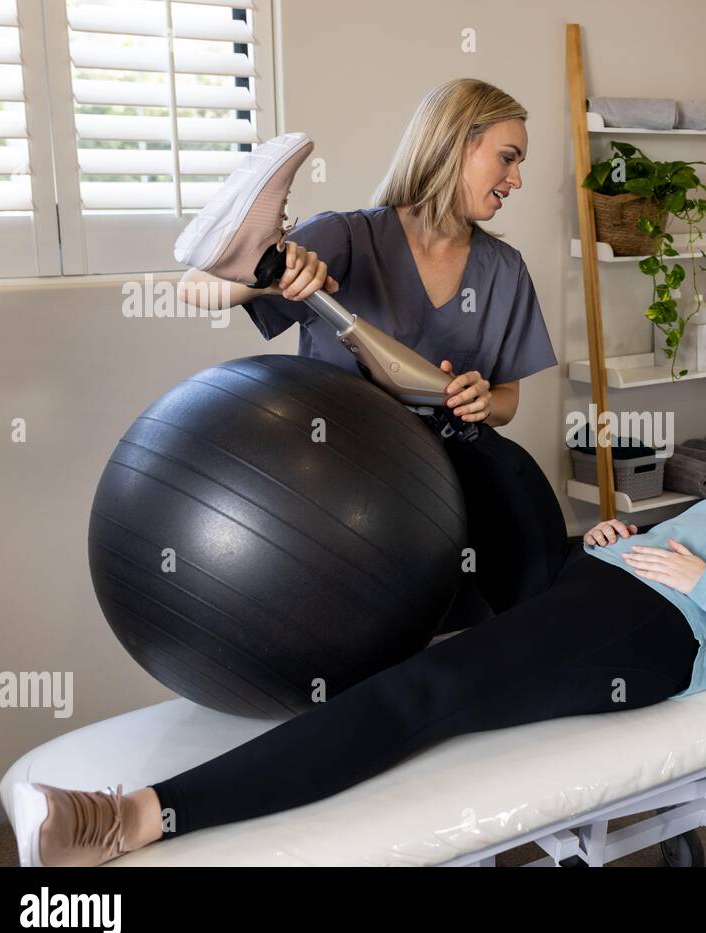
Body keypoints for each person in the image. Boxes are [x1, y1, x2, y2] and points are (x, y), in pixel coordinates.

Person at [13, 476, 706, 866]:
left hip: (652, 630)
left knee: (426, 693)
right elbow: (669, 541)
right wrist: (625, 534)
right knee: (419, 636)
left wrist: (702, 583)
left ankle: (133, 818)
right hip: (598, 579)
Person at [177, 78, 566, 622]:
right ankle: (254, 252)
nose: (516, 179)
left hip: (445, 488)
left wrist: (482, 400)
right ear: (455, 144)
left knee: (513, 591)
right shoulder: (346, 238)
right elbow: (194, 288)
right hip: (336, 484)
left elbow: (506, 403)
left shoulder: (504, 269)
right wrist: (271, 278)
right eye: (507, 157)